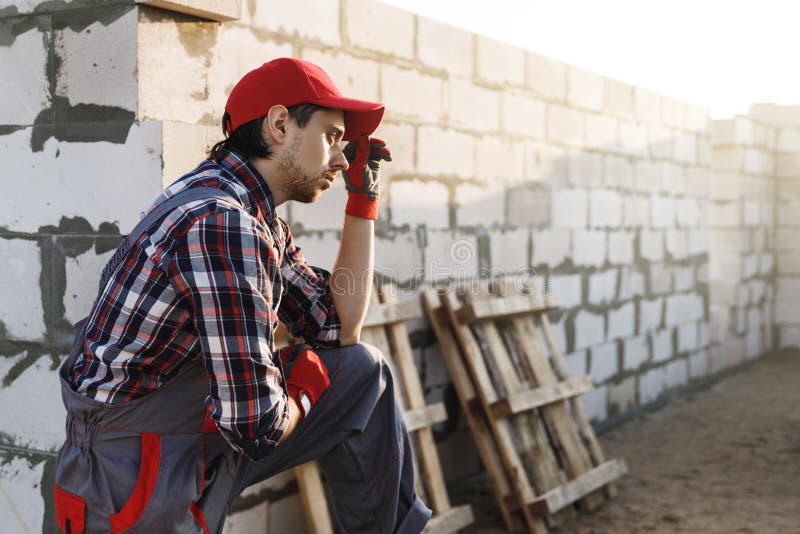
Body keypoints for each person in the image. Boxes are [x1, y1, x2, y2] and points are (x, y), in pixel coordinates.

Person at [53, 57, 432, 534]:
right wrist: (307, 391)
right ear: (279, 124)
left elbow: (340, 327)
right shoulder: (222, 220)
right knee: (327, 381)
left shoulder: (252, 212)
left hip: (188, 430)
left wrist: (362, 202)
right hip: (129, 471)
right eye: (333, 136)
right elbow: (257, 425)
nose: (341, 157)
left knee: (362, 373)